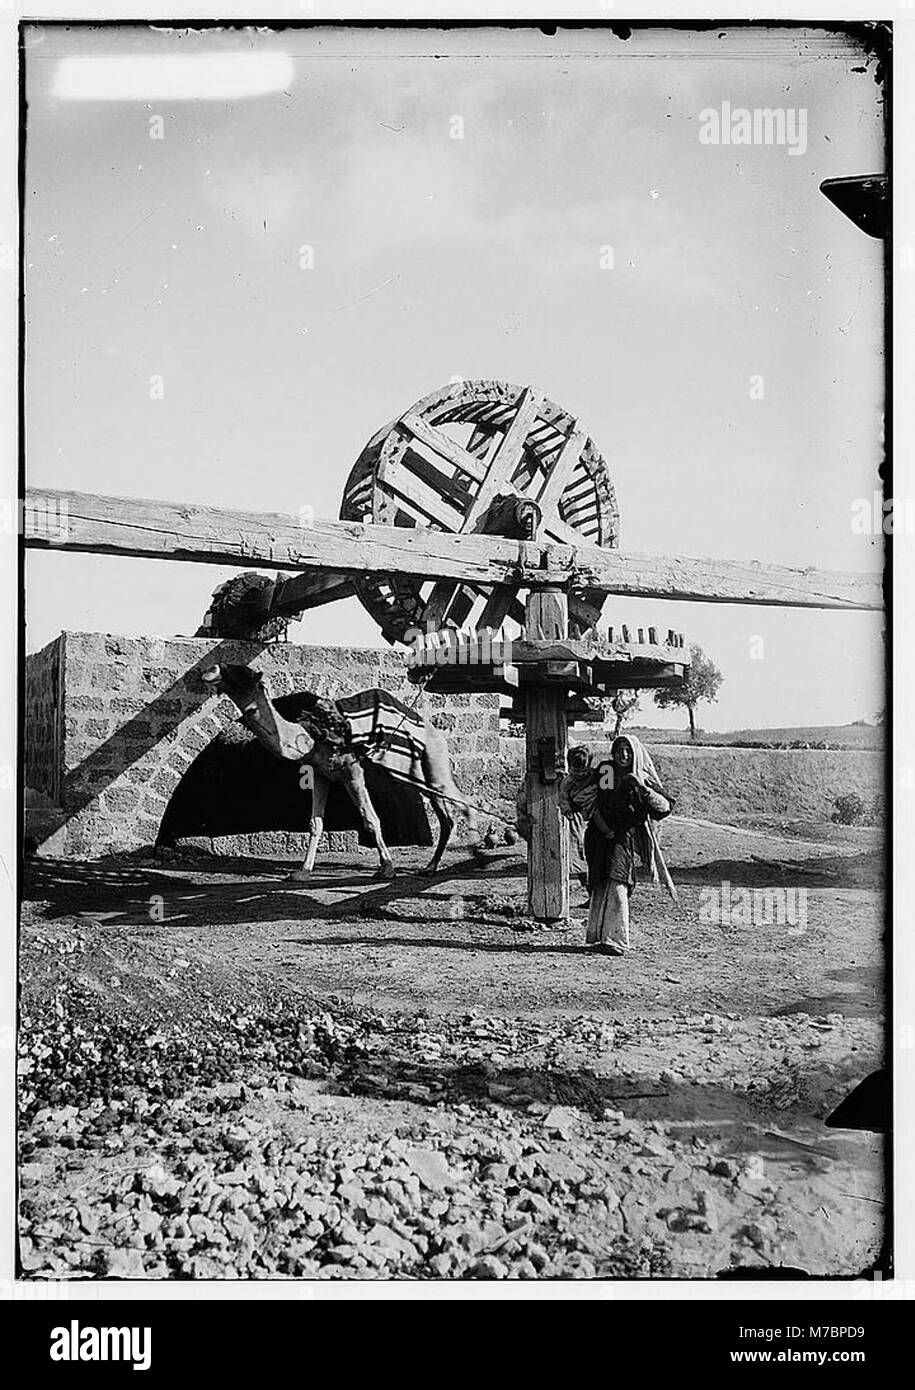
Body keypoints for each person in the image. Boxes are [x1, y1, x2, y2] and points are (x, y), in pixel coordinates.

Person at [583, 735, 675, 955]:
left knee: (618, 880)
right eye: (619, 750)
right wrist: (603, 824)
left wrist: (641, 788)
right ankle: (599, 936)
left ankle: (616, 938)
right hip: (600, 834)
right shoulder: (608, 771)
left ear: (635, 753)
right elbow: (603, 798)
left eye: (627, 750)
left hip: (622, 837)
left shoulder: (642, 777)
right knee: (599, 881)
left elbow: (663, 809)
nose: (623, 754)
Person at [559, 744, 598, 891]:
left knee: (591, 853)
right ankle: (587, 887)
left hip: (592, 814)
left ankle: (593, 891)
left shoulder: (595, 776)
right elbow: (563, 798)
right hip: (576, 818)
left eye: (583, 771)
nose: (580, 775)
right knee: (578, 851)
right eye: (576, 771)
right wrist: (567, 810)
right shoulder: (568, 781)